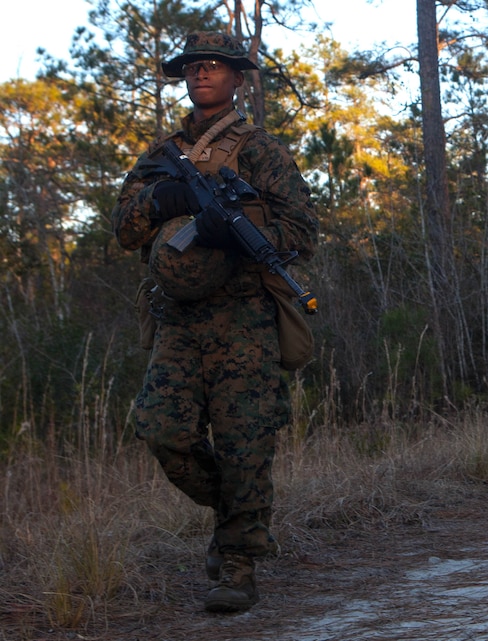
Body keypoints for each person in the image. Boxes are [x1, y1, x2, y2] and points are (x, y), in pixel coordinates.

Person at [111, 31, 319, 612]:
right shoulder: (161, 156)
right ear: (184, 77)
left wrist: (239, 233)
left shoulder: (261, 150)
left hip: (245, 316)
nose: (202, 73)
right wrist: (166, 200)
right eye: (194, 66)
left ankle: (238, 565)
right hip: (176, 319)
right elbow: (124, 229)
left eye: (215, 66)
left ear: (237, 78)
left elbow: (301, 233)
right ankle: (235, 516)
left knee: (245, 444)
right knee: (162, 430)